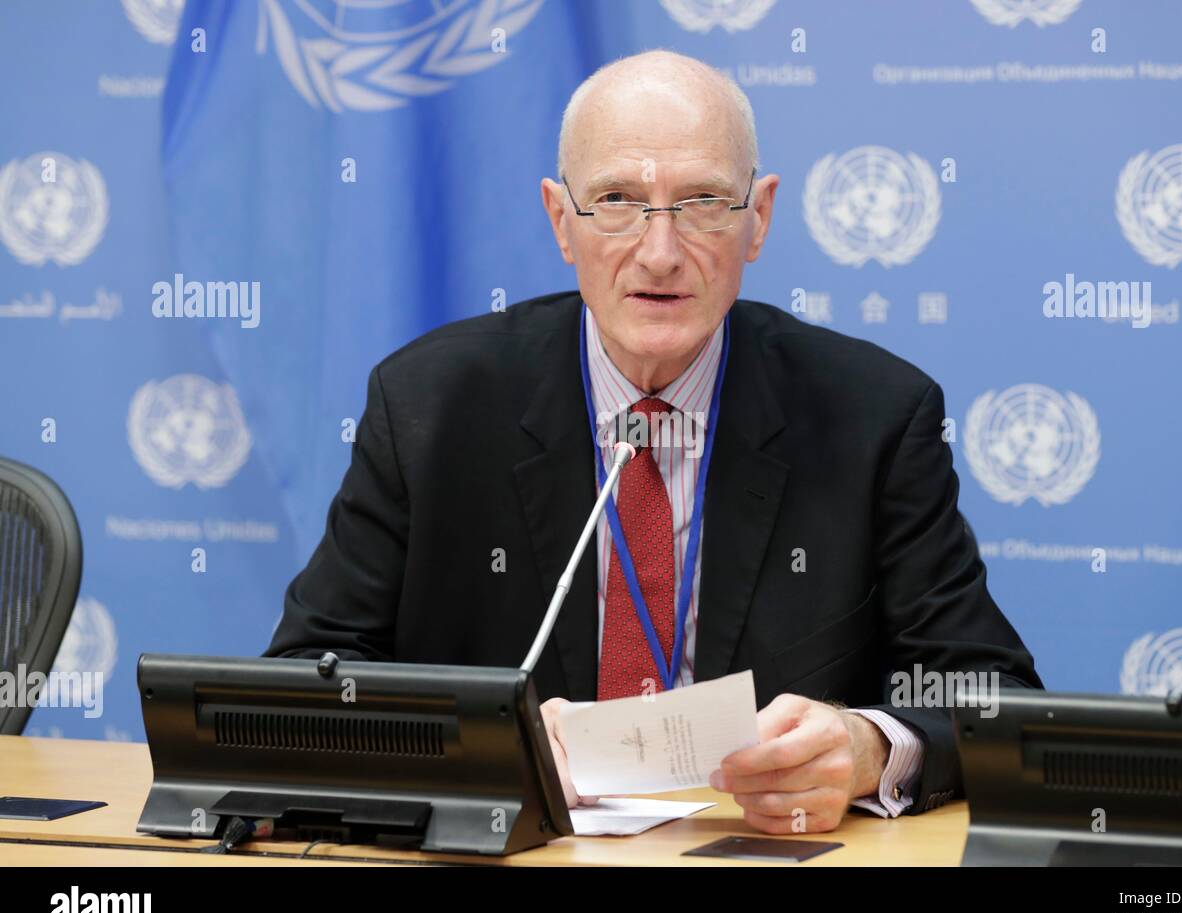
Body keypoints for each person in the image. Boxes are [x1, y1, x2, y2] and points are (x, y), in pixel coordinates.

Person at [265, 49, 1042, 834]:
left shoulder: (873, 415)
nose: (660, 251)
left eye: (703, 200)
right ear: (560, 220)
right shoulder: (430, 406)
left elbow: (993, 699)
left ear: (759, 218)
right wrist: (486, 748)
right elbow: (306, 682)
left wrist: (872, 748)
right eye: (616, 200)